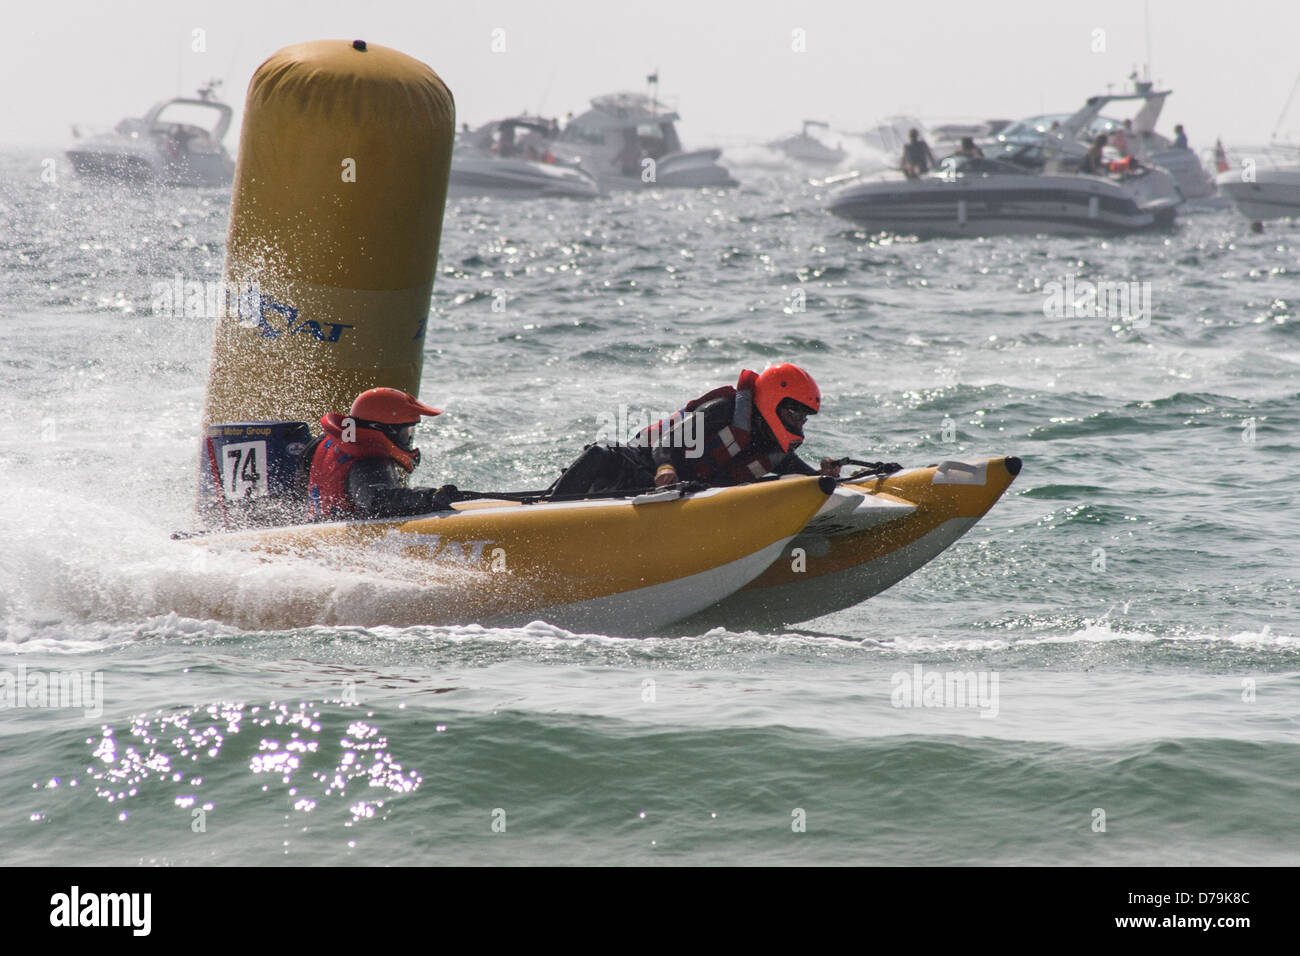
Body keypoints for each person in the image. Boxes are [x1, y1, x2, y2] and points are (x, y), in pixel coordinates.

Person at [549, 364, 841, 497]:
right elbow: (668, 441)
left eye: (805, 416)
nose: (800, 422)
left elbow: (800, 474)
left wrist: (823, 476)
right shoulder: (724, 409)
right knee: (600, 452)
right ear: (772, 401)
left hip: (676, 495)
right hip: (633, 469)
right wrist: (665, 467)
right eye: (795, 413)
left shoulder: (774, 447)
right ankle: (547, 510)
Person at [304, 387, 454, 520]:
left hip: (317, 528)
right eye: (406, 432)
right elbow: (377, 501)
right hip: (346, 541)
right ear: (384, 430)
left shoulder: (325, 442)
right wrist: (430, 497)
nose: (409, 439)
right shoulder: (369, 461)